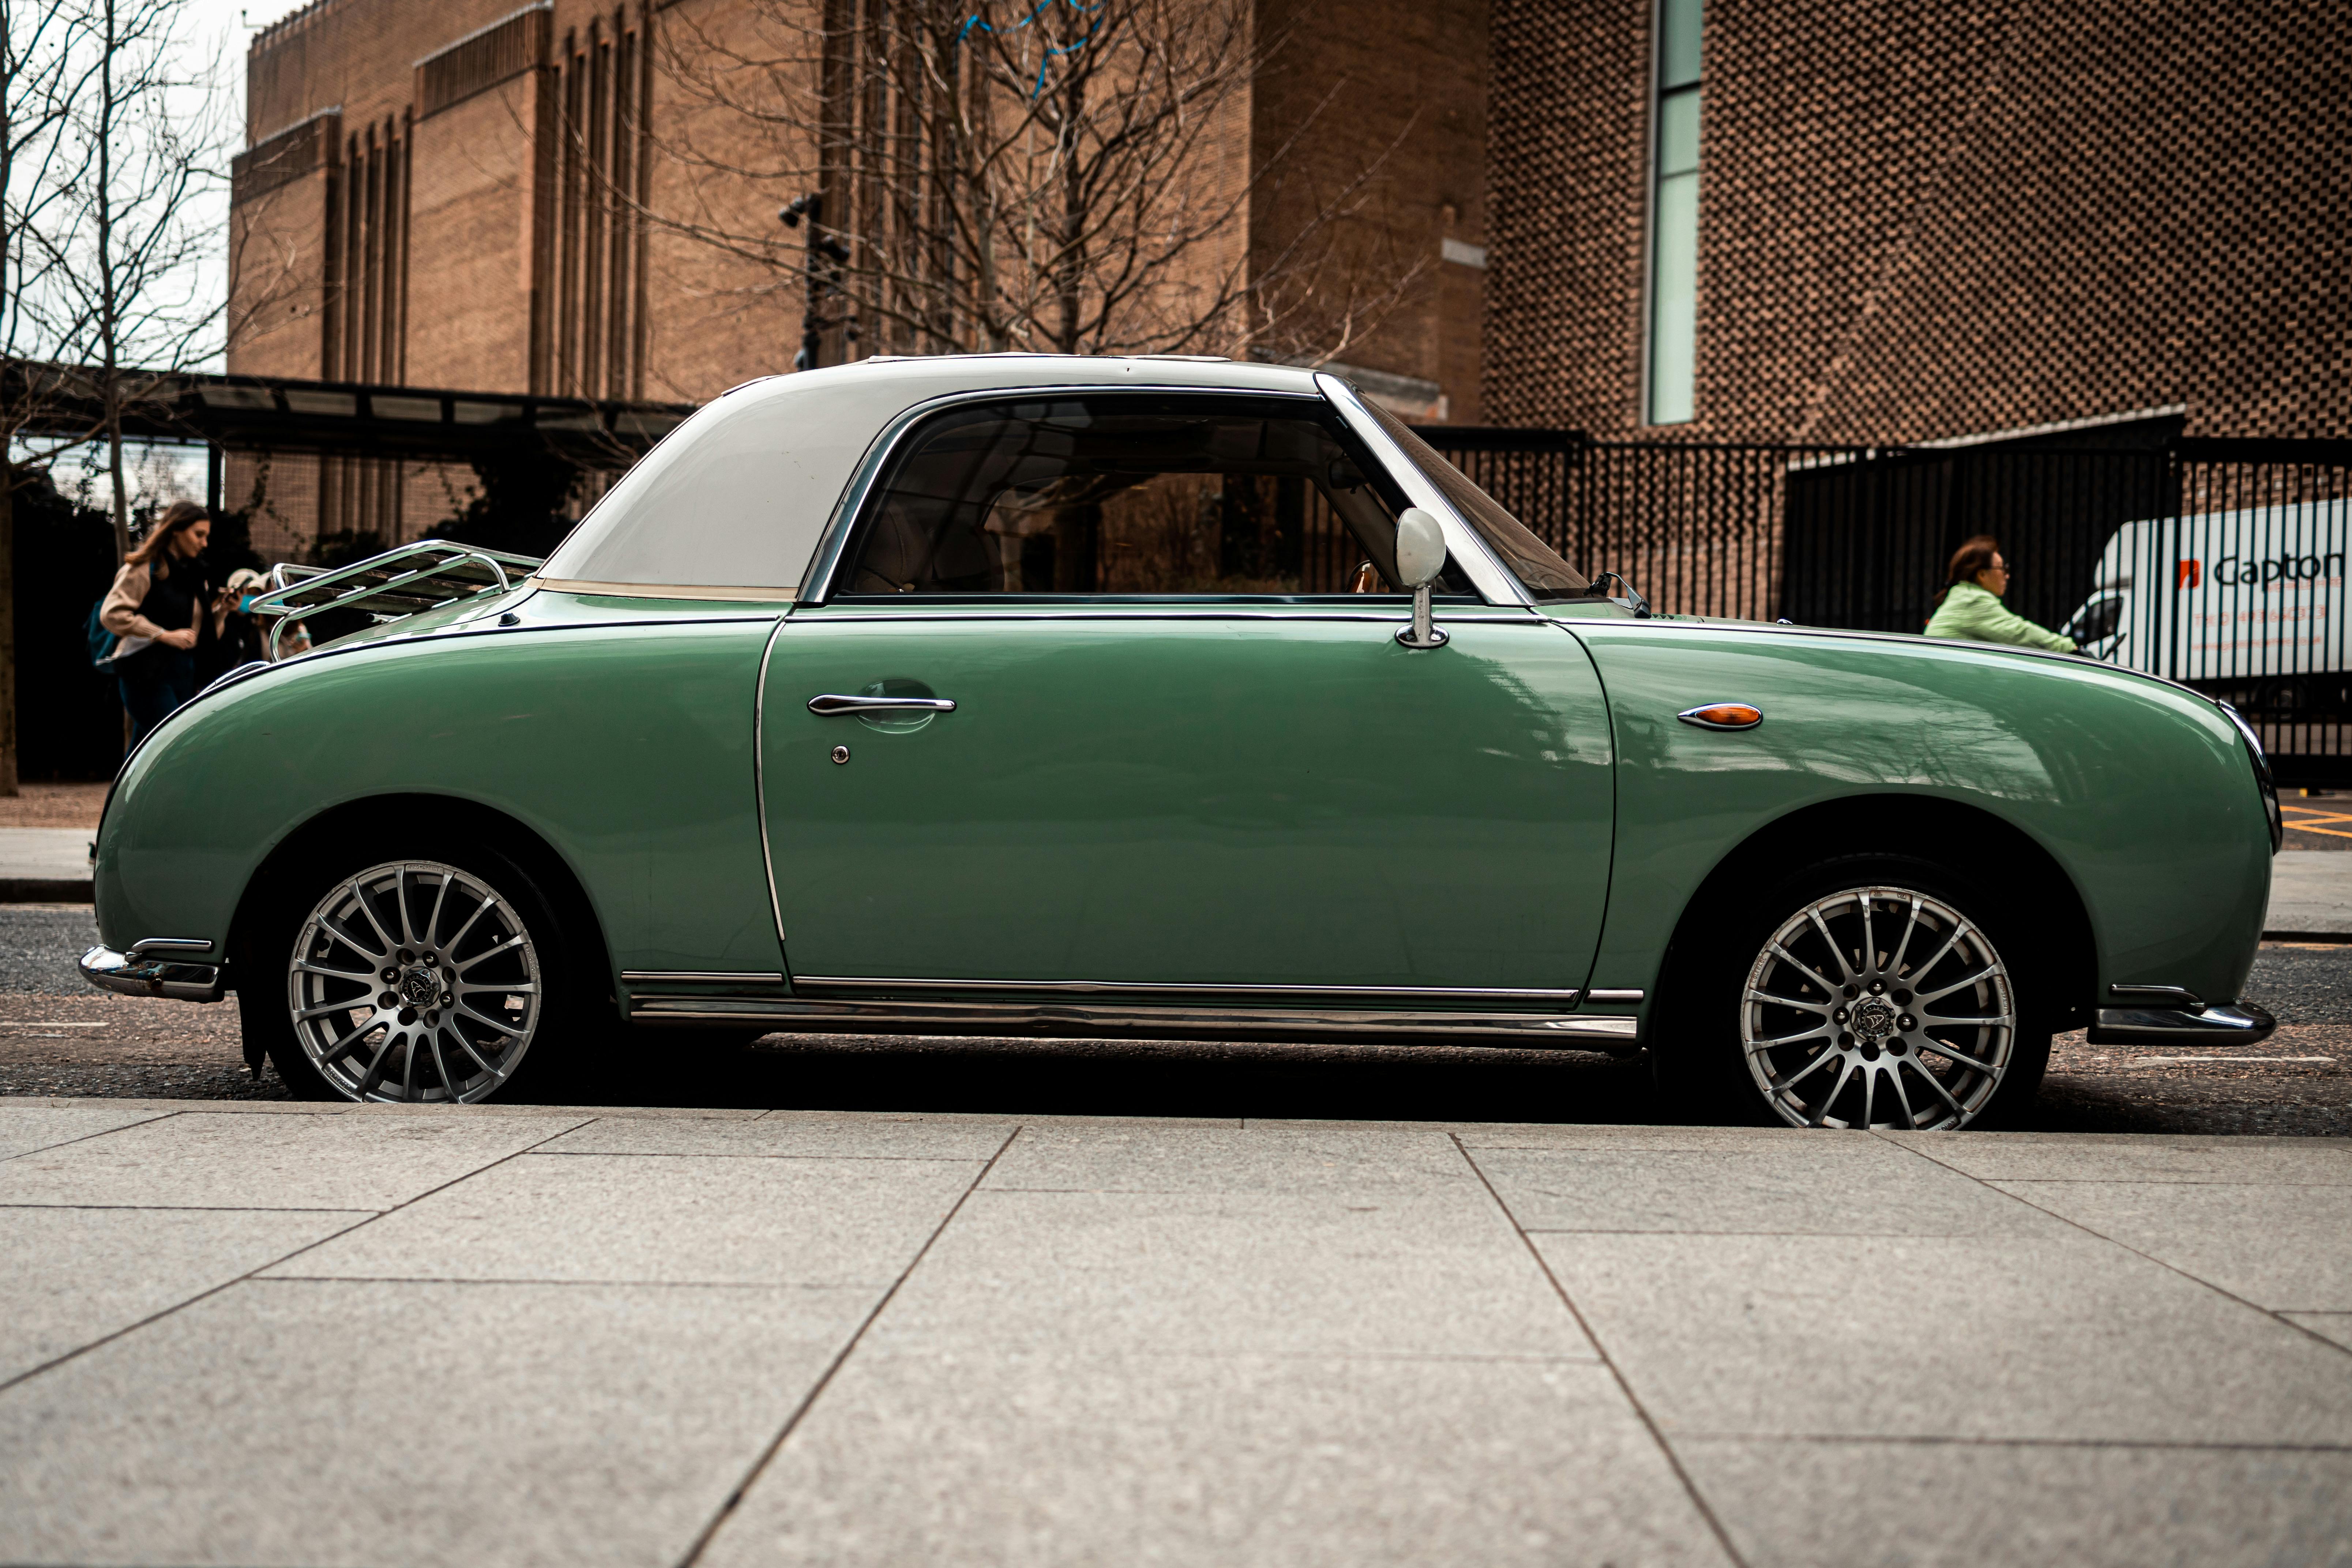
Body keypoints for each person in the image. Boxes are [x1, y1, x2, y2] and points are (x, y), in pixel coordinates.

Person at [100, 501, 214, 745]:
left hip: (183, 675)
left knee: (145, 760)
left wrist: (222, 611)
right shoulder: (146, 566)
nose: (204, 543)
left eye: (206, 536)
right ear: (176, 529)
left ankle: (125, 786)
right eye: (199, 534)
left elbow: (197, 633)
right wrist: (161, 634)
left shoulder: (196, 575)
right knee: (178, 746)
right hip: (145, 675)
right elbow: (112, 614)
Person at [1922, 534, 2077, 653]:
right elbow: (2019, 633)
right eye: (2002, 569)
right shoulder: (1972, 600)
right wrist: (2069, 648)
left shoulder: (1963, 595)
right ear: (1982, 575)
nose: (2007, 575)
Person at [206, 567, 311, 681]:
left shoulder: (299, 627)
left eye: (256, 593)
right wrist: (224, 610)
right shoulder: (252, 629)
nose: (249, 598)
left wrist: (304, 652)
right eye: (244, 592)